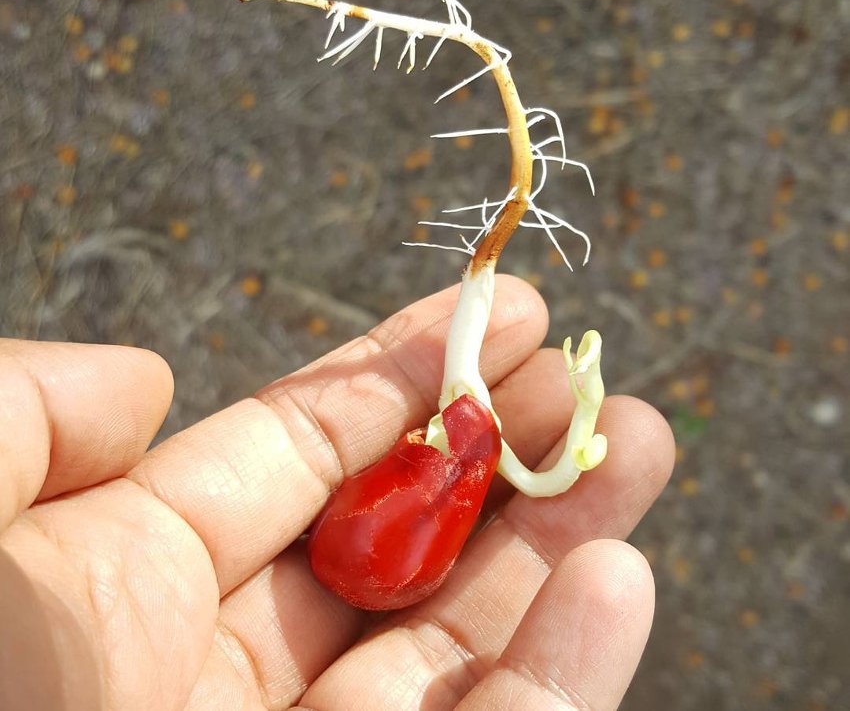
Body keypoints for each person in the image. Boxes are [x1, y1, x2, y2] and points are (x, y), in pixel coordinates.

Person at [0, 276, 673, 710]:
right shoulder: (478, 444)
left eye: (428, 435)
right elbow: (543, 480)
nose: (431, 432)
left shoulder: (480, 445)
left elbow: (540, 479)